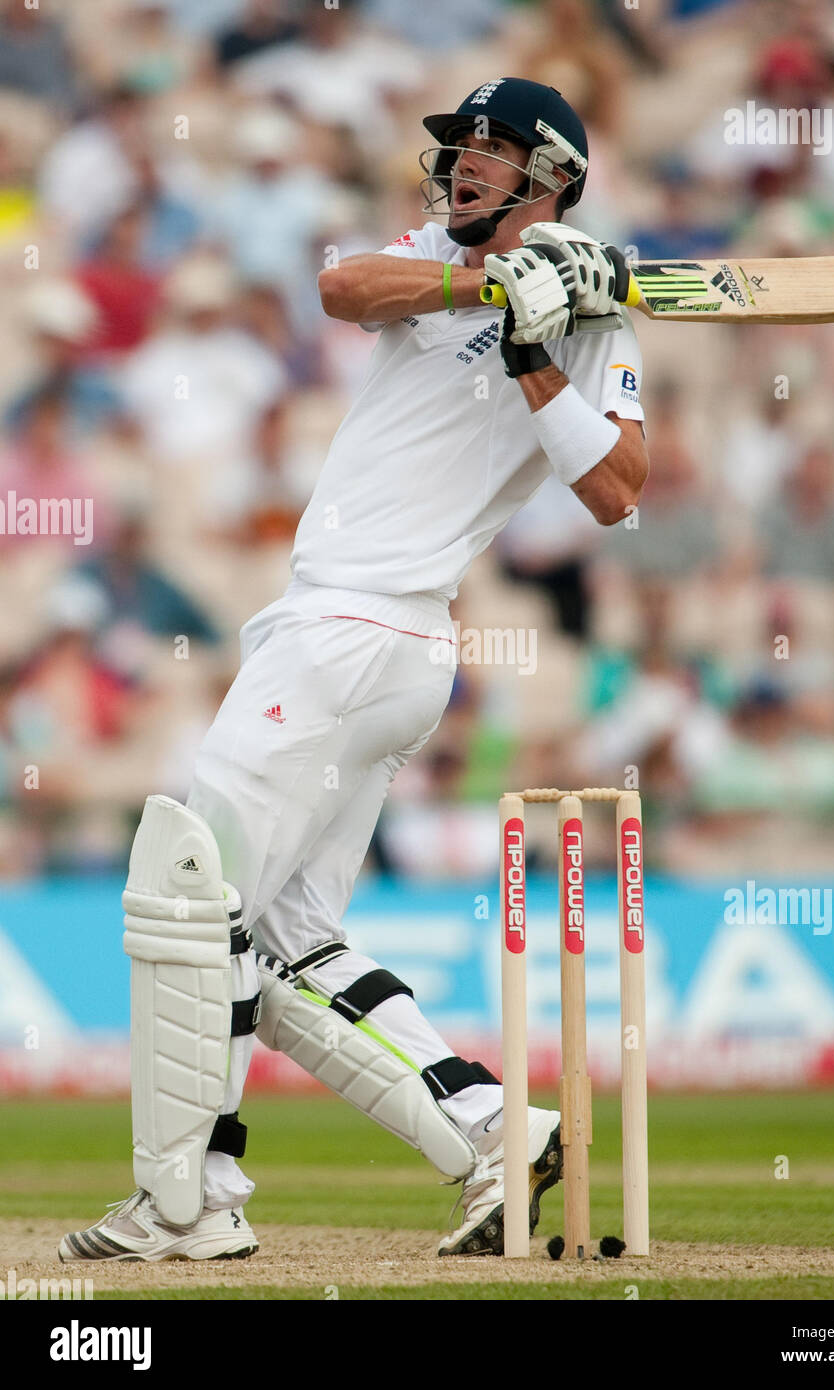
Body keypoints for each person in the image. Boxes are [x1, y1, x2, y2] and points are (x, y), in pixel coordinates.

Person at [60, 77, 648, 1263]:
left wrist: (539, 353)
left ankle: (186, 1203)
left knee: (188, 894)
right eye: (457, 148)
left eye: (489, 150)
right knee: (282, 945)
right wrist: (491, 282)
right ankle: (497, 1130)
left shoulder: (598, 319)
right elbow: (342, 287)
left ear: (552, 178)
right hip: (355, 641)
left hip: (362, 630)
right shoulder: (434, 254)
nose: (460, 165)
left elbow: (618, 493)